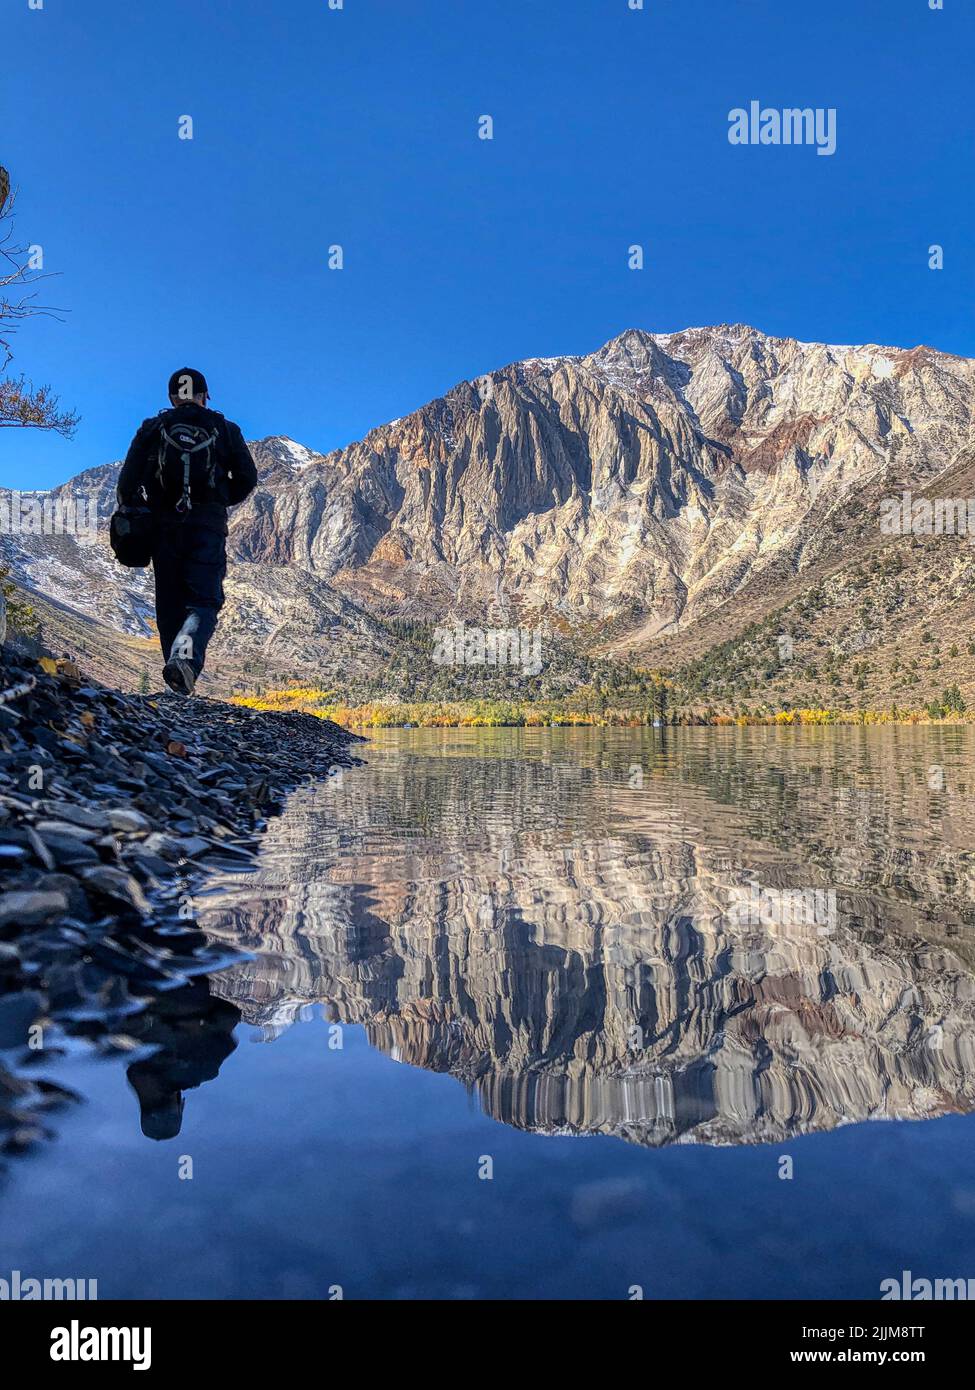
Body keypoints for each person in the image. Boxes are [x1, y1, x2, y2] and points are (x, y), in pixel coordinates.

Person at [116, 368, 257, 695]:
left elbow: (126, 484)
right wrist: (218, 500)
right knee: (203, 601)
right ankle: (184, 662)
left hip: (163, 526)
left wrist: (141, 510)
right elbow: (247, 479)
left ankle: (176, 682)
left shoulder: (152, 428)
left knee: (169, 603)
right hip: (207, 527)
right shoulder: (225, 429)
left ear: (171, 397)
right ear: (204, 396)